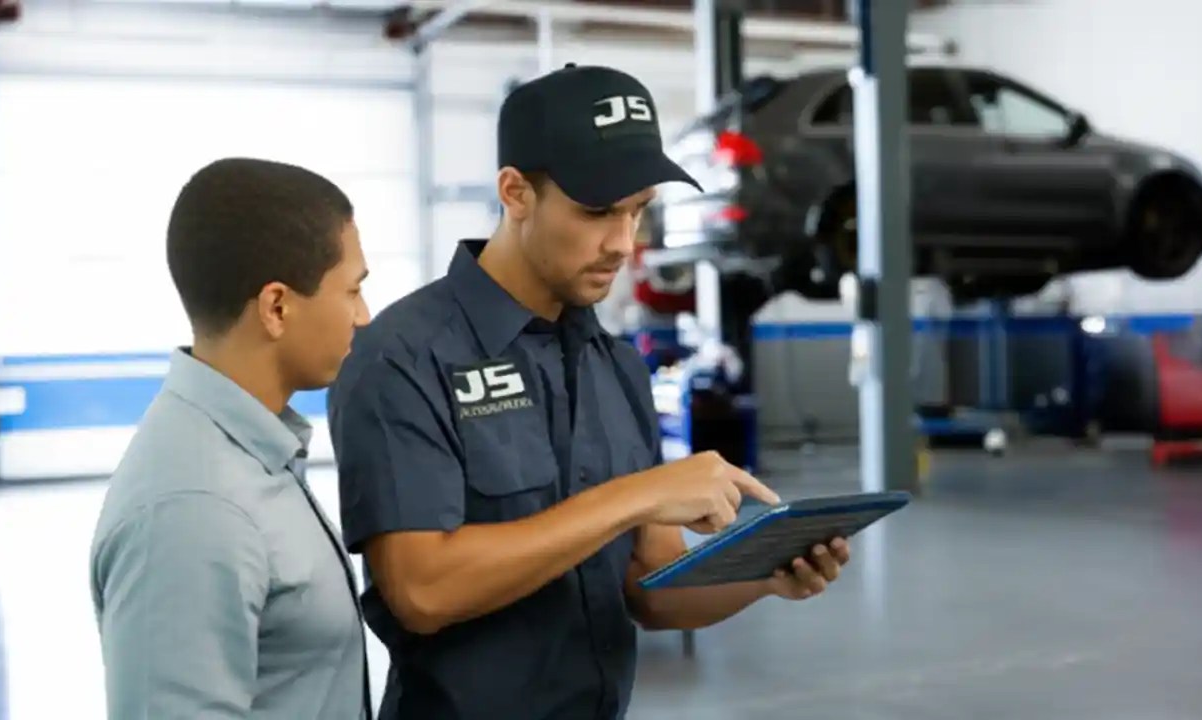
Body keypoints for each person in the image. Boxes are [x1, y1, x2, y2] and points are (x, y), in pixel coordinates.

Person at [328, 64, 851, 720]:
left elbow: (650, 592)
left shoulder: (615, 366)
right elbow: (423, 590)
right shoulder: (403, 356)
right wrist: (635, 496)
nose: (623, 244)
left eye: (637, 211)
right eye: (597, 211)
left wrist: (765, 575)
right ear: (515, 192)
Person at [89, 157, 374, 719]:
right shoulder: (192, 507)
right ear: (276, 307)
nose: (364, 317)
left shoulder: (248, 451)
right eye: (352, 291)